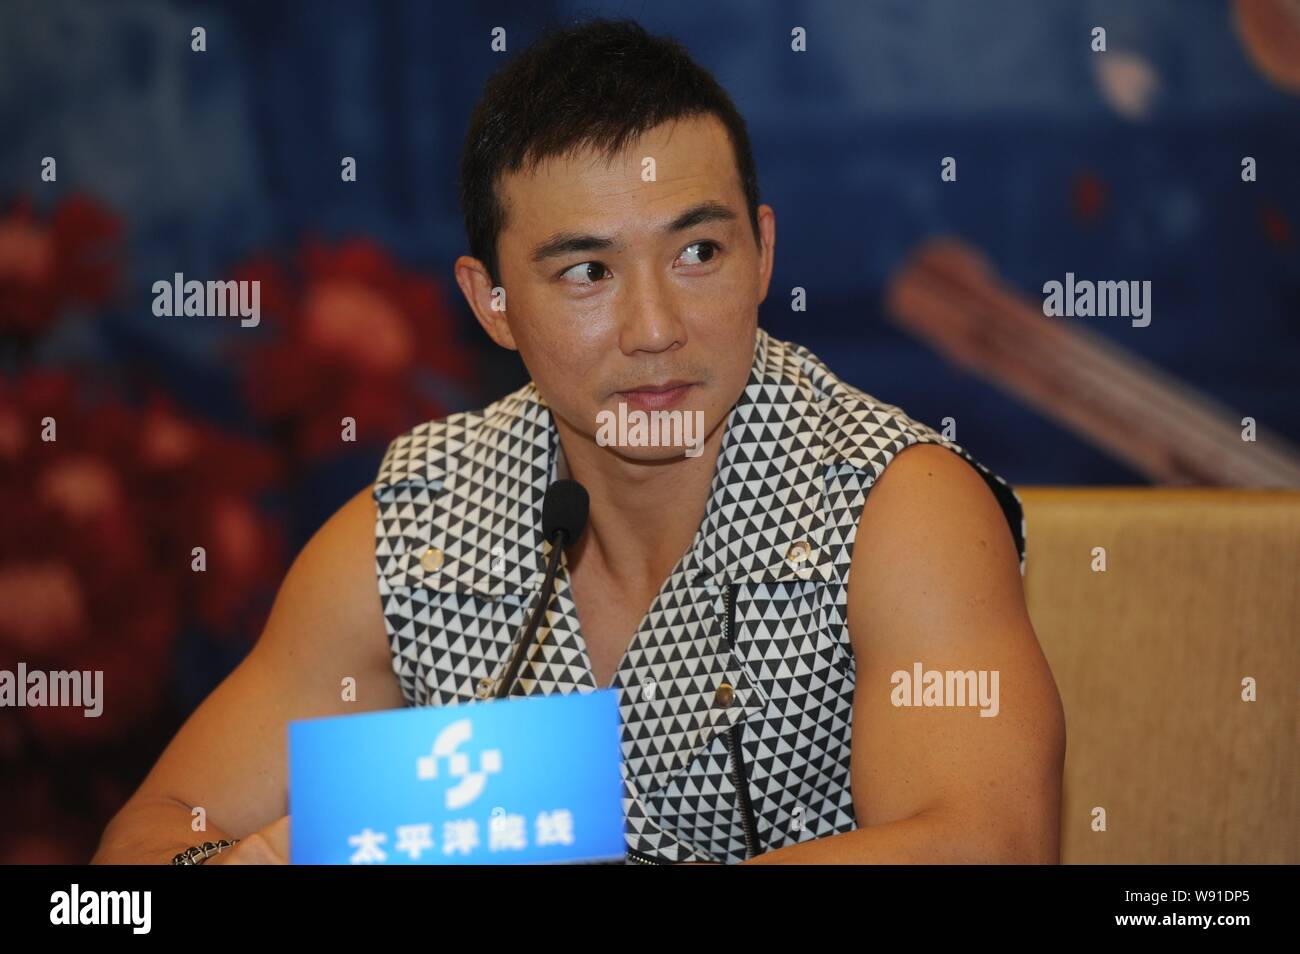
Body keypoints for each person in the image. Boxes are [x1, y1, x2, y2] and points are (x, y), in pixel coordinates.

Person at [93, 17, 1064, 866]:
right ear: (492, 304)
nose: (653, 328)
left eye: (697, 253)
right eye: (587, 272)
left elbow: (986, 845)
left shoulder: (892, 504)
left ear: (763, 254)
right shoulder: (420, 526)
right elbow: (147, 842)